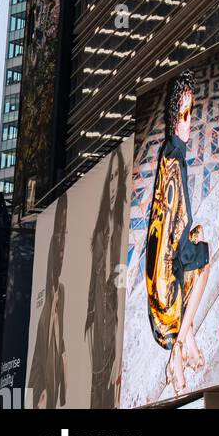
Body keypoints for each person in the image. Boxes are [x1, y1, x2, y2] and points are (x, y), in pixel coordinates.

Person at [145, 70, 211, 395]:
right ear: (174, 118)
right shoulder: (176, 162)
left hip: (158, 280)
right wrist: (192, 257)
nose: (189, 122)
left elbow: (171, 218)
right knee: (204, 264)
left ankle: (188, 345)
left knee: (197, 236)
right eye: (184, 114)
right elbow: (176, 225)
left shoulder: (168, 153)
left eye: (191, 112)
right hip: (165, 296)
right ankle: (179, 350)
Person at [86, 144, 128, 407]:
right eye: (109, 179)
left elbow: (121, 290)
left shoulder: (123, 228)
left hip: (114, 337)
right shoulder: (100, 235)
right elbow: (93, 293)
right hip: (97, 339)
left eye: (116, 177)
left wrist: (118, 353)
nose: (113, 185)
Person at [28, 193, 67, 408]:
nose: (62, 249)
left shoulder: (61, 293)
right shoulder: (44, 310)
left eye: (65, 236)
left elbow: (61, 351)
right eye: (58, 239)